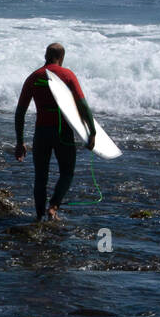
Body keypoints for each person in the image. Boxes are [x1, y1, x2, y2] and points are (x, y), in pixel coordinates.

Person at [14, 42, 98, 221]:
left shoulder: (33, 77)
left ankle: (38, 217)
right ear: (62, 57)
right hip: (63, 134)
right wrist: (92, 132)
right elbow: (82, 105)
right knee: (67, 173)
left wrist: (20, 141)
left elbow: (20, 112)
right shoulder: (67, 75)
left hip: (41, 133)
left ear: (45, 55)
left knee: (40, 177)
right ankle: (53, 207)